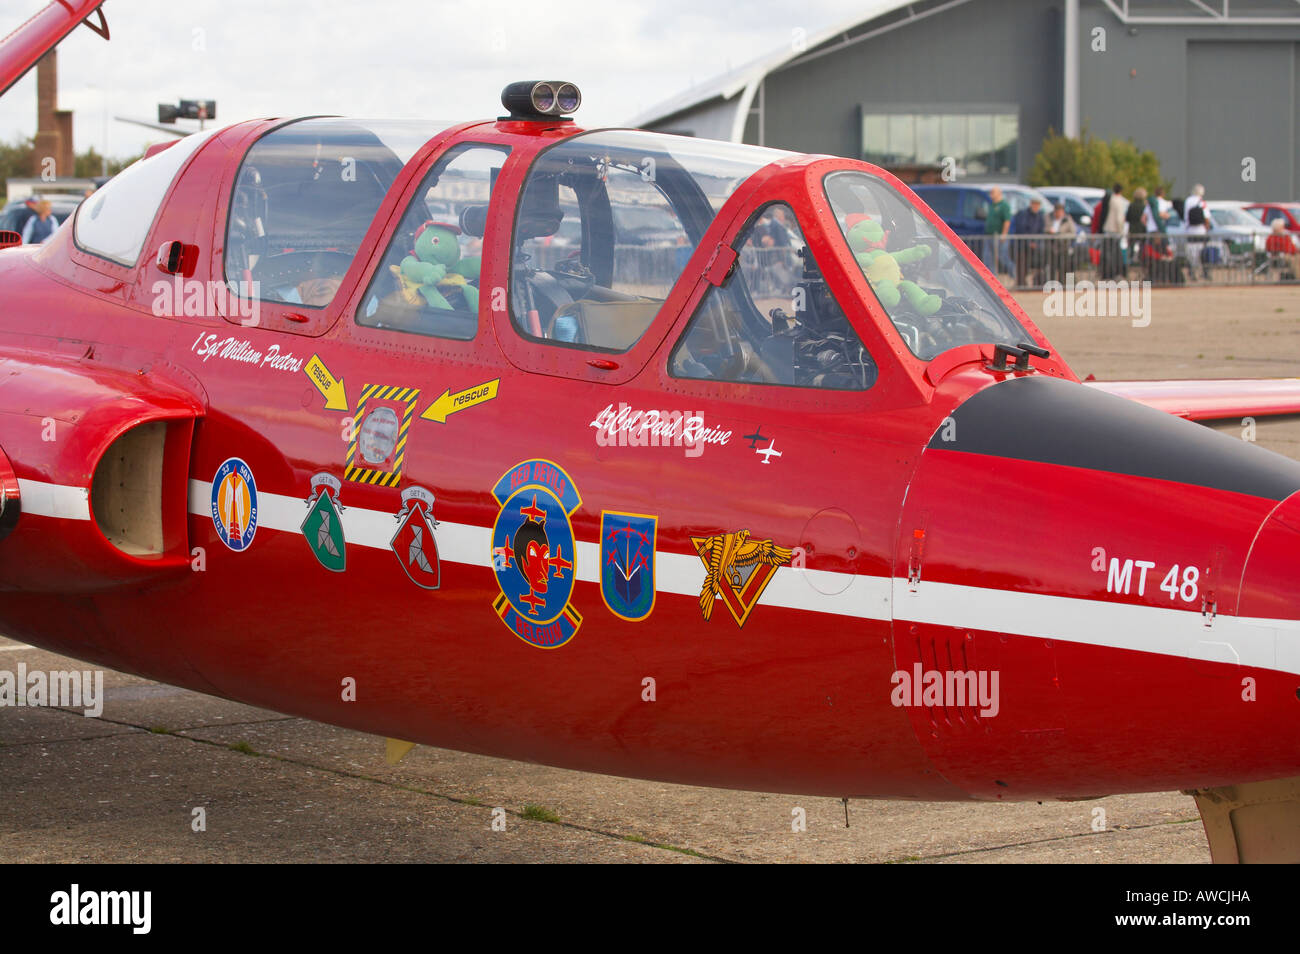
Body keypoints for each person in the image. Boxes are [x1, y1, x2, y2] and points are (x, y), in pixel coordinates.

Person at [1010, 196, 1048, 286]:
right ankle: (1021, 283)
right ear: (1031, 204)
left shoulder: (1040, 216)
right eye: (1034, 204)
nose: (1036, 207)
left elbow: (1041, 231)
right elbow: (1021, 229)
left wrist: (1036, 242)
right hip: (1022, 245)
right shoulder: (1023, 214)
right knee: (1021, 265)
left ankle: (1034, 283)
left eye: (1038, 205)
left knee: (1035, 265)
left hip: (1035, 246)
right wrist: (1029, 242)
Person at [1044, 201, 1077, 283]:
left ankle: (1063, 284)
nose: (1058, 213)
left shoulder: (1067, 219)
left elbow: (1073, 233)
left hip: (1063, 246)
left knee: (1063, 267)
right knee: (1051, 267)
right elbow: (1044, 229)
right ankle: (1051, 285)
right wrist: (1049, 231)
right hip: (1051, 246)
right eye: (1057, 211)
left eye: (1060, 211)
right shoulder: (1048, 217)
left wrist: (1061, 235)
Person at [1100, 183, 1128, 279]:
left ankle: (1106, 273)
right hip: (1115, 230)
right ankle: (1115, 273)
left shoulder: (1110, 199)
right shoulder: (1119, 201)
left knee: (1107, 253)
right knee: (1116, 254)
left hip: (1108, 229)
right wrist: (1121, 230)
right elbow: (1119, 218)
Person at [982, 186, 1011, 276]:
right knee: (988, 259)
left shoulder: (1004, 205)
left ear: (999, 193)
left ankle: (1014, 275)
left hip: (999, 237)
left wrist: (1004, 234)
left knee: (1003, 258)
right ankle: (992, 279)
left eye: (993, 193)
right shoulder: (991, 205)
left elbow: (1007, 221)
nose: (991, 195)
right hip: (989, 235)